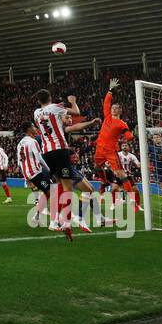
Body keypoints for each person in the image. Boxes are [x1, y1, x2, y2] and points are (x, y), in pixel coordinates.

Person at [33, 89, 100, 231]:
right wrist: (72, 102)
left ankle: (55, 220)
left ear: (39, 101)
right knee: (68, 188)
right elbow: (76, 112)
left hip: (46, 153)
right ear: (50, 97)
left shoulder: (36, 113)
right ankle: (67, 222)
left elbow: (60, 124)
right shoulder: (56, 108)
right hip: (59, 150)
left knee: (58, 186)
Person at [93, 78, 139, 211]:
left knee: (121, 175)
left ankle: (132, 202)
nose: (113, 109)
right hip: (99, 149)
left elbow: (128, 136)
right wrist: (110, 90)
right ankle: (105, 182)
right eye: (113, 108)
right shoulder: (107, 116)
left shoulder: (122, 123)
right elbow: (106, 103)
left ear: (120, 111)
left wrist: (131, 135)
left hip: (111, 151)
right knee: (96, 168)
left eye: (116, 108)